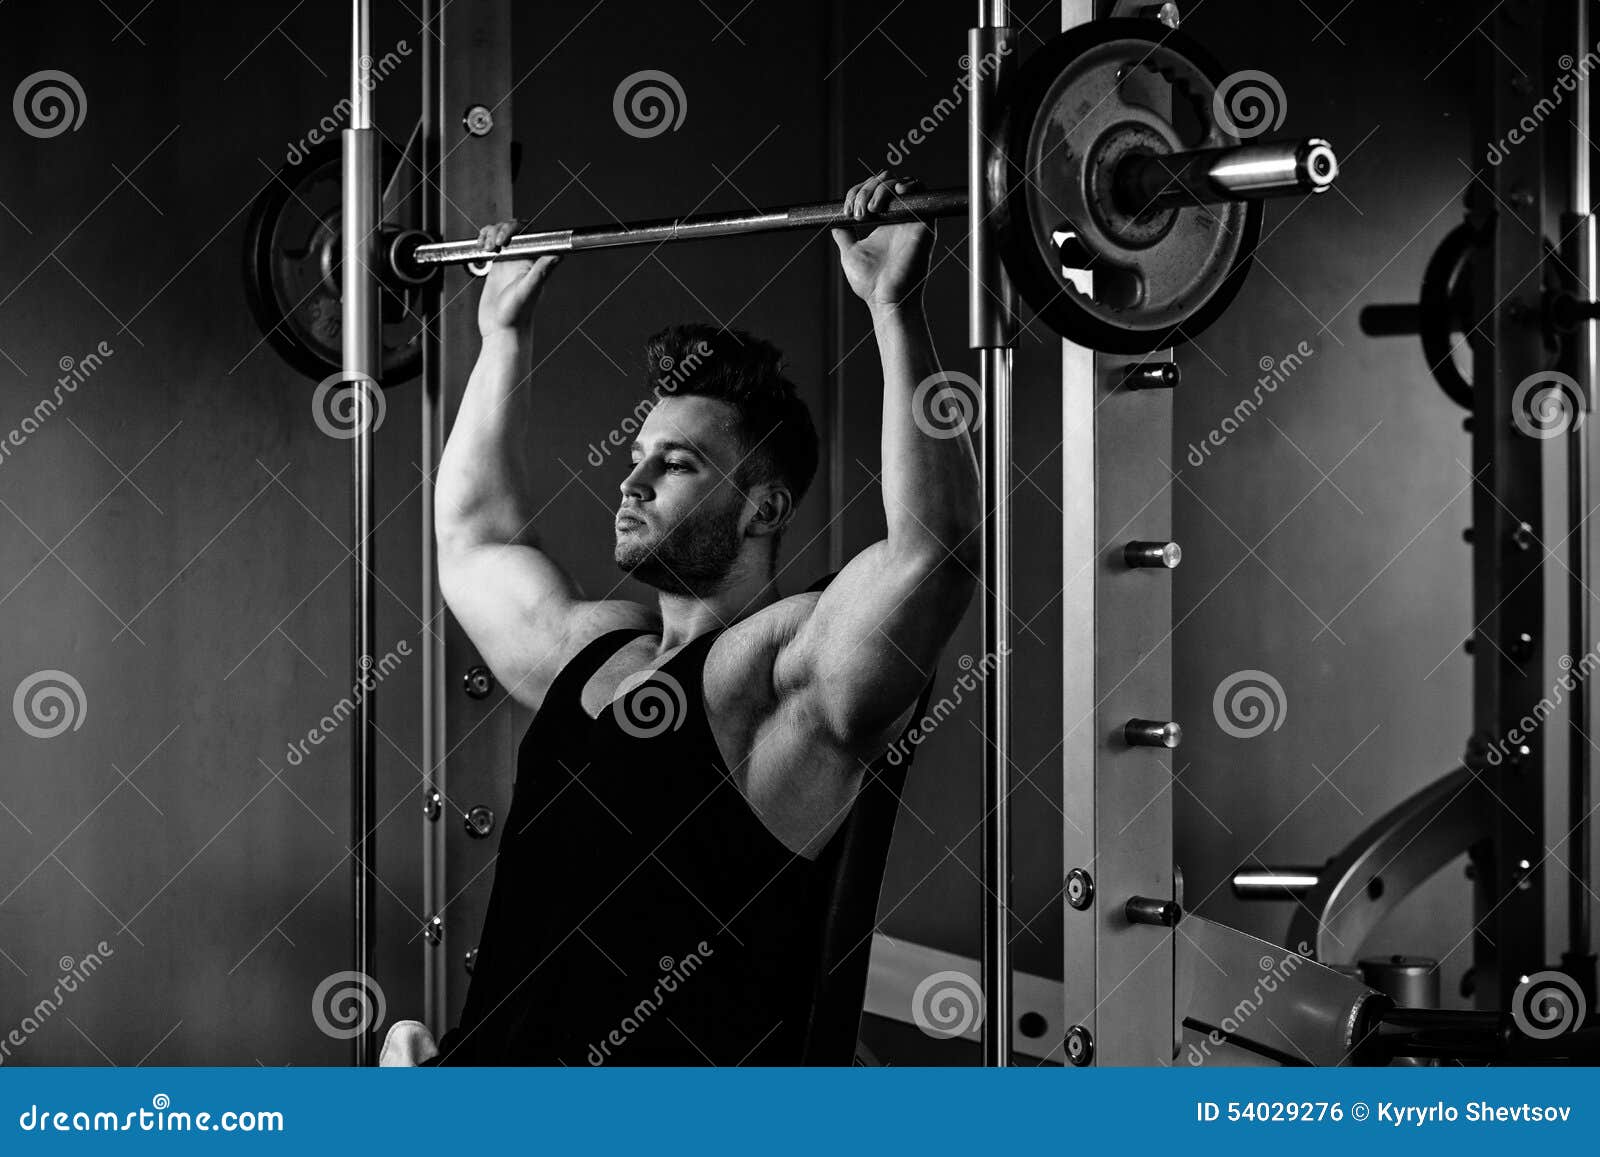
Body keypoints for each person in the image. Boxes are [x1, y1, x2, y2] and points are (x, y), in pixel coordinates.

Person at [385, 172, 980, 1066]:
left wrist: (895, 311)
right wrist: (501, 336)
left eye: (677, 463)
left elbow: (933, 556)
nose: (630, 481)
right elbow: (471, 538)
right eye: (635, 456)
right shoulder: (590, 652)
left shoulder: (772, 680)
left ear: (764, 507)